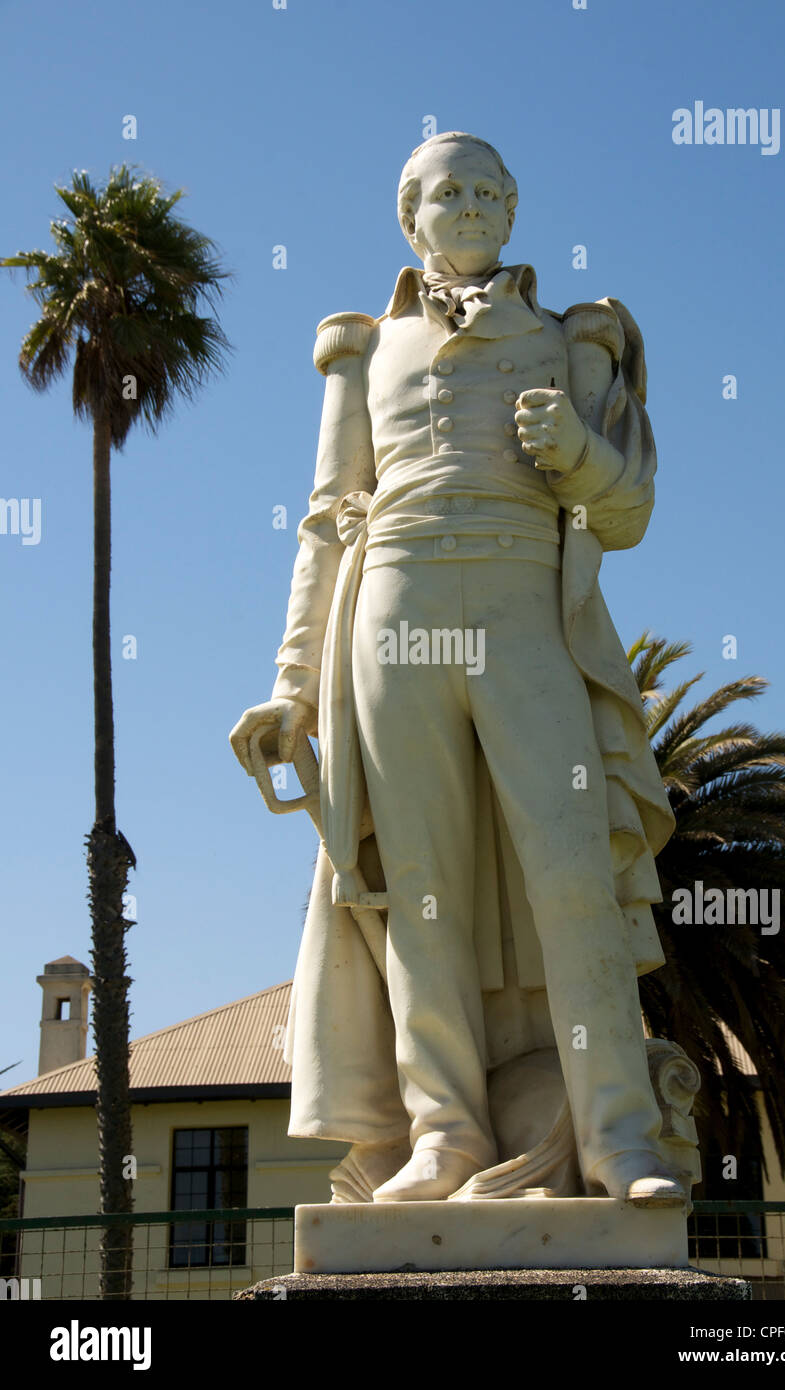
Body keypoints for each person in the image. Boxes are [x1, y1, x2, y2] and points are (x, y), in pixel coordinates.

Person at [230, 132, 684, 1205]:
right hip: (393, 603)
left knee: (570, 871)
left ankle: (618, 1136)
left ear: (515, 211)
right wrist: (292, 683)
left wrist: (574, 449)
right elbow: (328, 516)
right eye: (449, 191)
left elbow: (624, 512)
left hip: (526, 599)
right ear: (409, 215)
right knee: (418, 889)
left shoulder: (575, 338)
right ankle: (446, 1134)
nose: (470, 205)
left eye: (489, 190)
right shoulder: (363, 345)